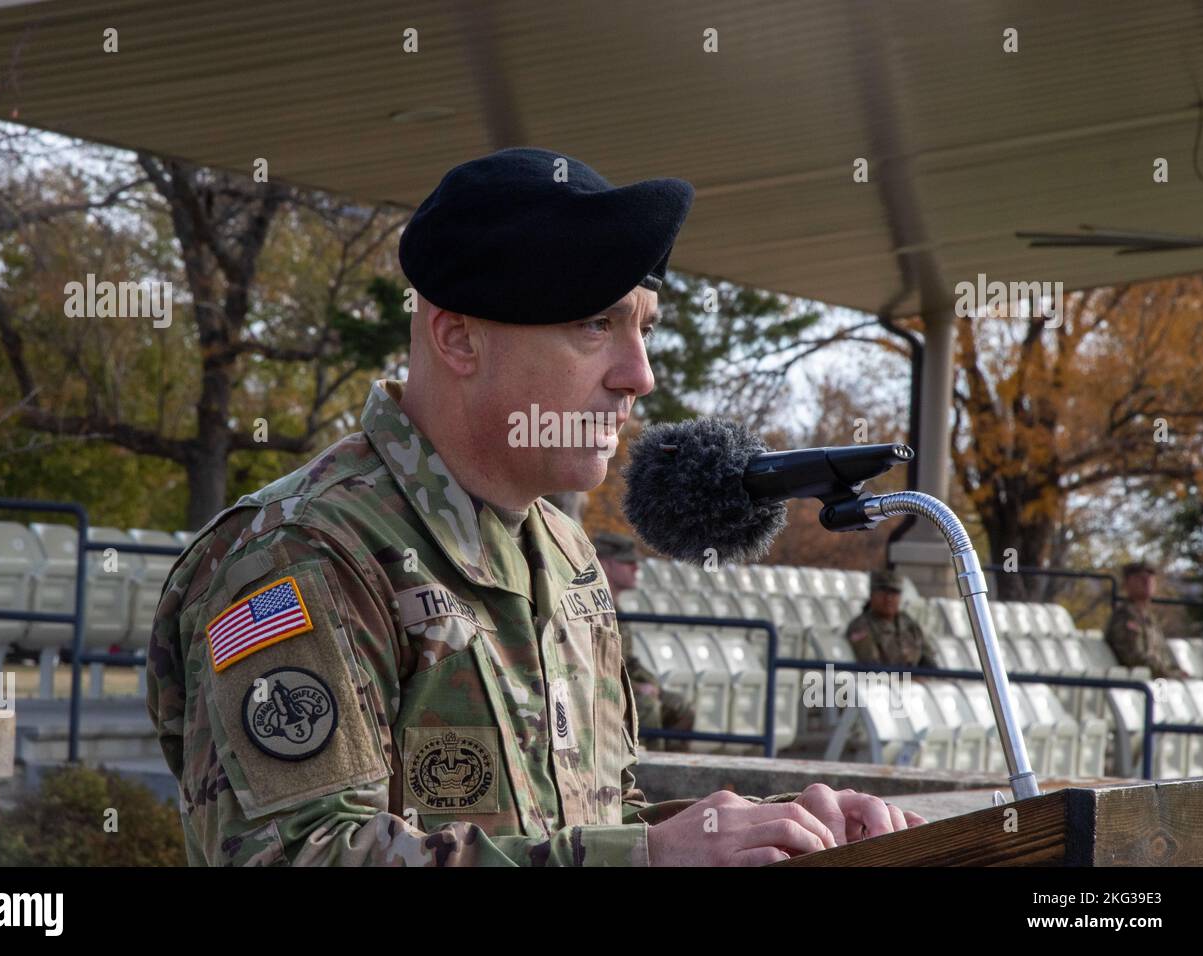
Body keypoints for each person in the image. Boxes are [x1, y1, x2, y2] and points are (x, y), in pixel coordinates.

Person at [147, 146, 924, 867]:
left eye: (644, 329)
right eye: (595, 324)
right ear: (458, 341)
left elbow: (583, 826)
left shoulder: (563, 550)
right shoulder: (302, 552)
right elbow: (301, 855)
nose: (639, 376)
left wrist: (774, 831)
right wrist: (645, 861)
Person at [592, 531, 696, 751]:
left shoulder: (618, 608)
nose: (636, 569)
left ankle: (673, 769)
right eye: (627, 563)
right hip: (602, 689)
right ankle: (649, 772)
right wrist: (639, 688)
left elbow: (628, 660)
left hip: (624, 683)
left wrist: (652, 684)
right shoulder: (593, 608)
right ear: (605, 565)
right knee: (647, 707)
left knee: (682, 707)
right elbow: (596, 664)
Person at [1105, 560, 1188, 680]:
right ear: (1127, 584)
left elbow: (1162, 655)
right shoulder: (1124, 616)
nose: (1147, 581)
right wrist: (1168, 673)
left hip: (1156, 680)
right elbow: (1133, 658)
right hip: (1134, 684)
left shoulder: (1150, 619)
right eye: (1140, 578)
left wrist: (1176, 671)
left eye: (1150, 578)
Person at [845, 570, 940, 670]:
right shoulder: (861, 627)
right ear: (872, 595)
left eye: (894, 593)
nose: (888, 598)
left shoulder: (908, 623)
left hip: (916, 683)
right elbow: (872, 668)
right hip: (883, 683)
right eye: (883, 592)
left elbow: (928, 659)